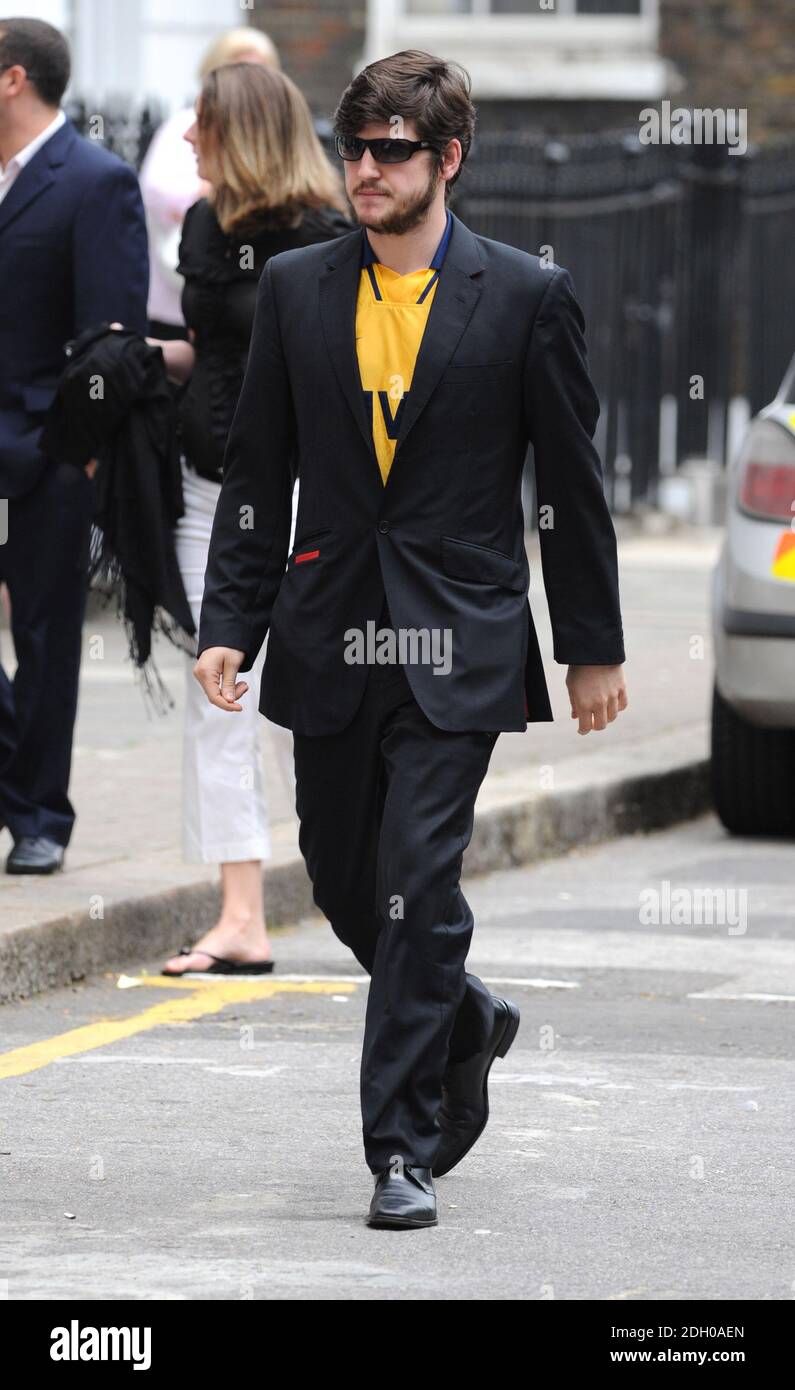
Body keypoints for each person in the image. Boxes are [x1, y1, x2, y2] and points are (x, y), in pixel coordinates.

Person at [193, 50, 627, 1227]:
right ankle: (469, 1016)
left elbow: (571, 485)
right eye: (357, 148)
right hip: (330, 631)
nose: (368, 170)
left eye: (393, 151)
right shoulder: (294, 287)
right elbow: (257, 472)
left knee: (415, 880)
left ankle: (402, 1145)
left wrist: (592, 643)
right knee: (342, 876)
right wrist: (231, 621)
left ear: (448, 160)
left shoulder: (526, 297)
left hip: (462, 640)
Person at [150, 63, 352, 975]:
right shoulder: (203, 222)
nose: (188, 138)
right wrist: (138, 357)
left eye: (203, 123)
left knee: (299, 698)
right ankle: (241, 916)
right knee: (216, 691)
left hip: (295, 492)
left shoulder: (324, 238)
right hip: (204, 487)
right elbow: (218, 348)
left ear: (247, 133)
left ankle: (363, 881)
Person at [0, 16, 148, 873]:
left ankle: (40, 817)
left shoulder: (94, 181)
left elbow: (112, 340)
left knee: (49, 637)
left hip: (47, 452)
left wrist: (78, 451)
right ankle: (15, 782)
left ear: (13, 79)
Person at [139, 25, 280, 341]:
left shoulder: (274, 134)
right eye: (239, 68)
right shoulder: (183, 126)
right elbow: (157, 191)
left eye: (261, 71)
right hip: (178, 304)